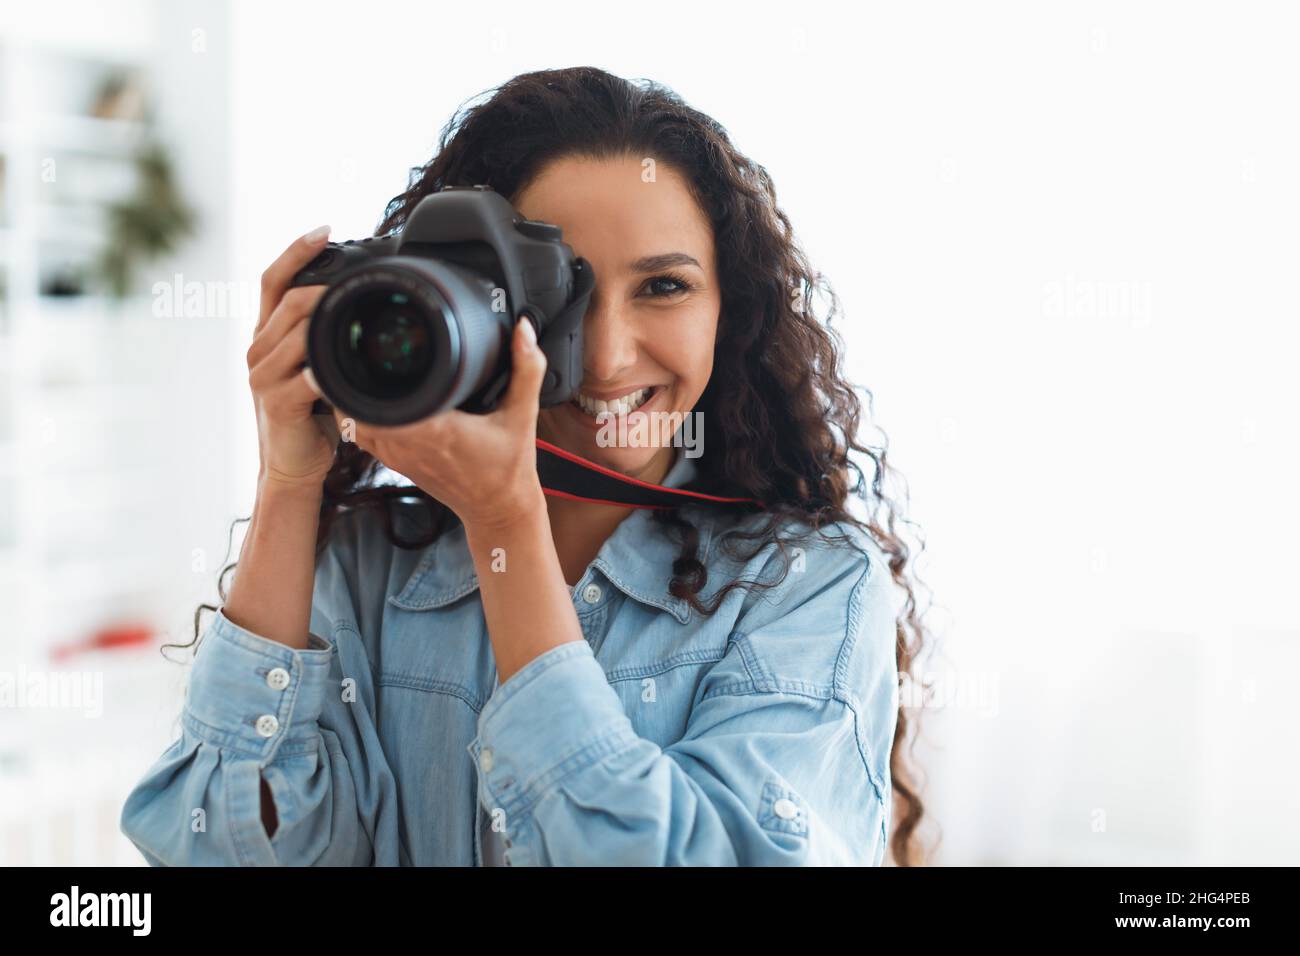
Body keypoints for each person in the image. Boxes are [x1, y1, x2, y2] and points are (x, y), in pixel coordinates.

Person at [120, 66, 930, 866]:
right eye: (563, 291)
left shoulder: (809, 586)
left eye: (663, 286)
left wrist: (507, 525)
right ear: (467, 296)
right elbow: (220, 854)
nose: (609, 356)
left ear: (732, 309)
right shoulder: (368, 567)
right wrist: (291, 484)